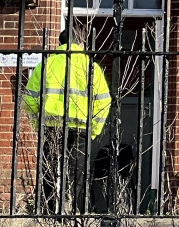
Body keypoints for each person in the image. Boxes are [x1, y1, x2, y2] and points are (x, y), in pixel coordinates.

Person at [23, 31, 113, 215]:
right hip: (80, 128)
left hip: (51, 126)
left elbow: (29, 99)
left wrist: (37, 123)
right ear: (79, 43)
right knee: (78, 173)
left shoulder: (46, 65)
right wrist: (93, 129)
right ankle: (77, 213)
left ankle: (48, 211)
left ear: (59, 43)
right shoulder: (91, 67)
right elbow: (104, 101)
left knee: (49, 170)